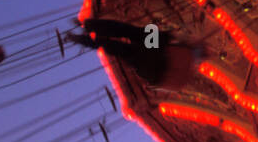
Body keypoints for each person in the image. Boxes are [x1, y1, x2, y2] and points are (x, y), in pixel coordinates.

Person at [67, 19, 202, 89]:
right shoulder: (184, 77)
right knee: (115, 47)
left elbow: (170, 45)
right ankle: (82, 38)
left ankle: (88, 26)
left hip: (153, 51)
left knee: (126, 31)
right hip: (145, 65)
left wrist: (167, 35)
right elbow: (159, 84)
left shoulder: (187, 54)